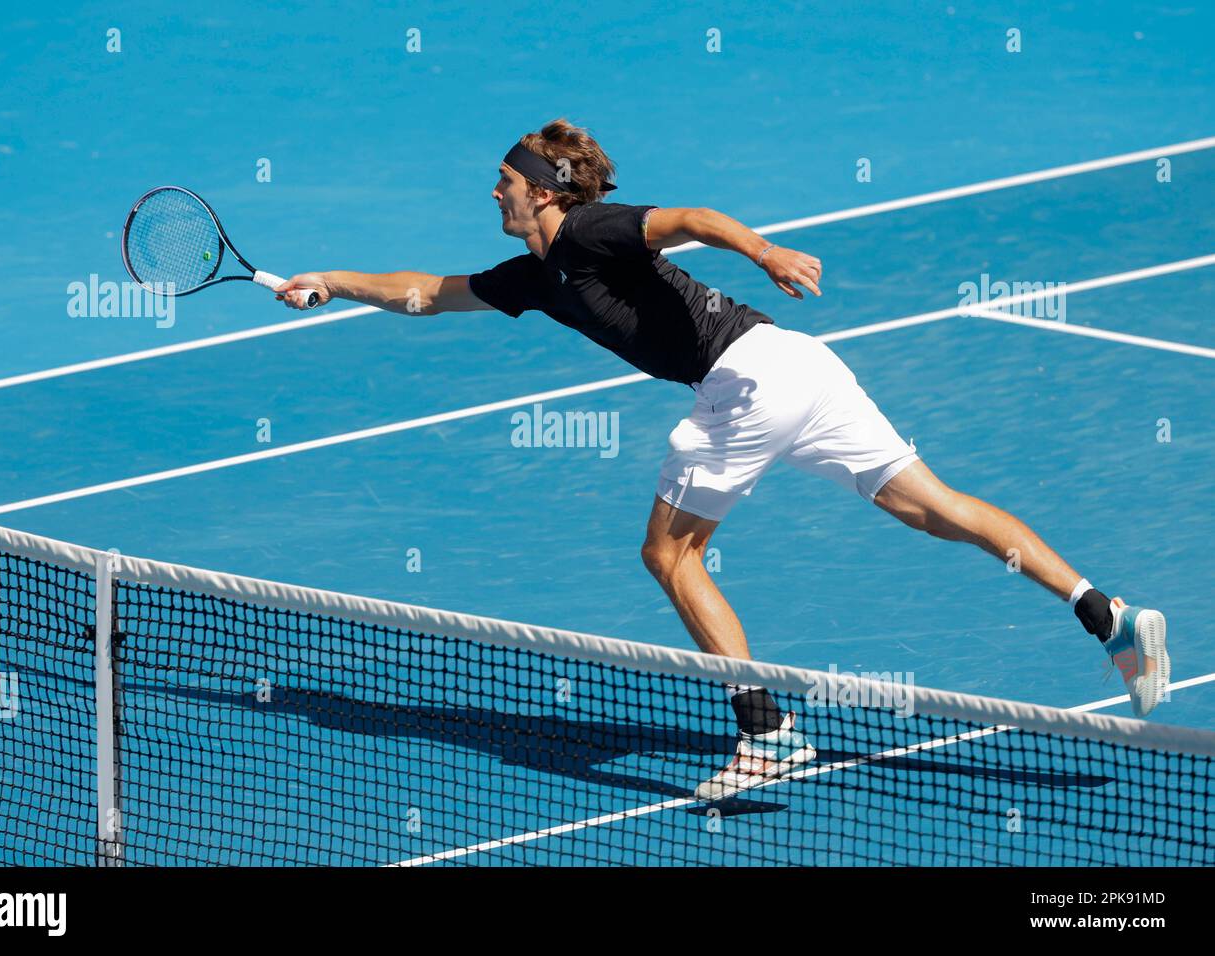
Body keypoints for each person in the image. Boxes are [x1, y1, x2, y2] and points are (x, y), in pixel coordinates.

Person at [274, 118, 1170, 802]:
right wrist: (331, 280)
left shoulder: (589, 233)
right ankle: (1107, 615)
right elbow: (429, 293)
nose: (494, 194)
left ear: (546, 192)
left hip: (743, 382)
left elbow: (690, 217)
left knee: (669, 554)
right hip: (798, 364)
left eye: (505, 182)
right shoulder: (532, 277)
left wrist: (764, 248)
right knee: (928, 506)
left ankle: (765, 731)